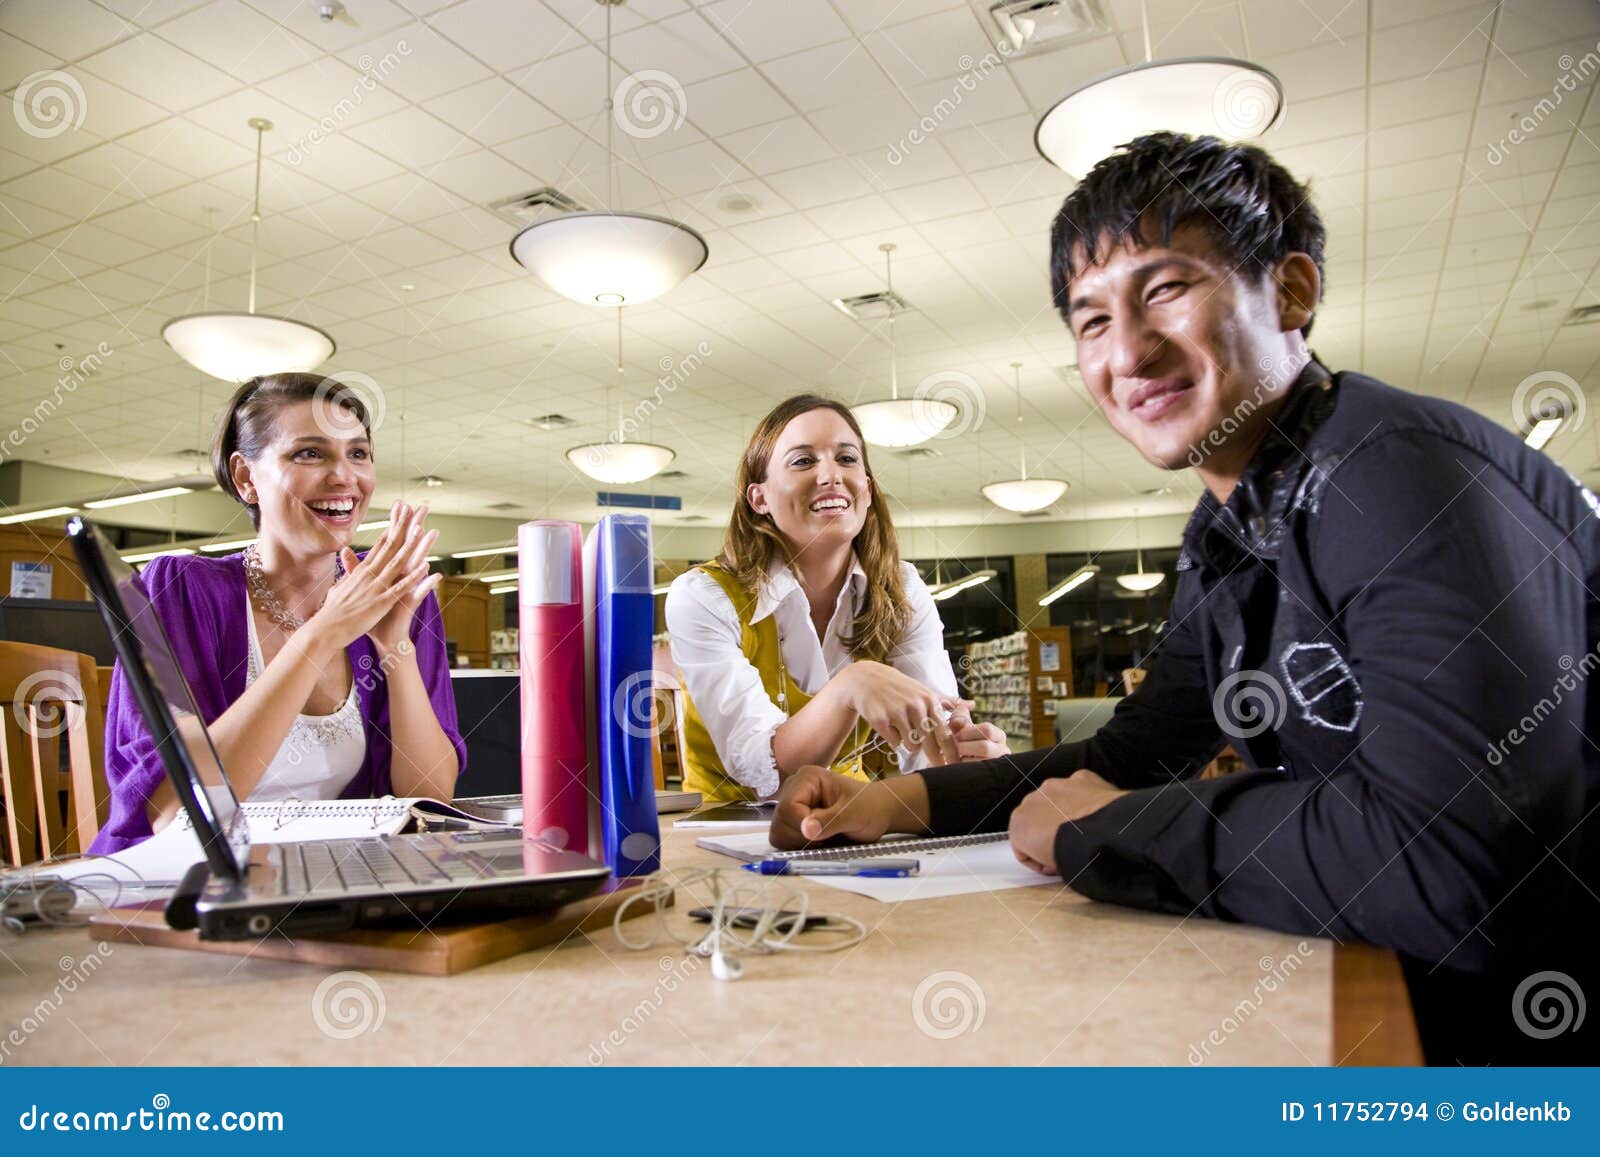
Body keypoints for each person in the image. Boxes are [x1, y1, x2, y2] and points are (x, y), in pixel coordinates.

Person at [771, 133, 1598, 1064]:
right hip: (1390, 1005)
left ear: (1292, 291)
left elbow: (1453, 864)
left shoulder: (1396, 474)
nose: (1127, 351)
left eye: (1166, 289)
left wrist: (1105, 828)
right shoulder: (1231, 529)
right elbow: (1136, 750)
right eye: (1091, 321)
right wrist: (899, 800)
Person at [91, 373, 466, 853]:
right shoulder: (181, 588)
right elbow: (175, 814)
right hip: (187, 881)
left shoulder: (389, 589)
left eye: (358, 453)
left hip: (329, 877)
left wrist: (395, 646)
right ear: (246, 478)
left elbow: (430, 798)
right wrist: (321, 635)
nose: (344, 477)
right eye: (309, 453)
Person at [665, 394, 1008, 804]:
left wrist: (966, 756)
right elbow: (762, 771)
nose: (831, 475)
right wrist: (851, 685)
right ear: (759, 499)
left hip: (852, 813)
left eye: (847, 459)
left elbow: (931, 745)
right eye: (803, 461)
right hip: (724, 823)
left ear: (867, 488)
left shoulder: (900, 587)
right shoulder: (703, 596)